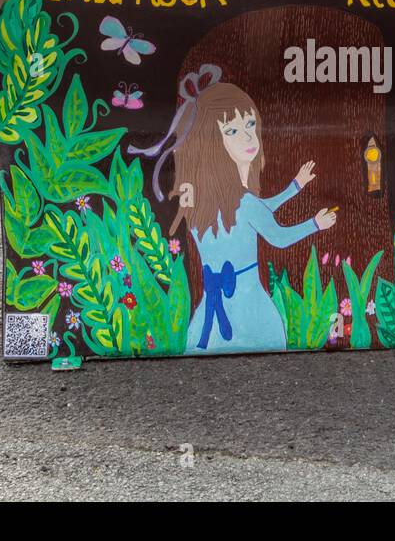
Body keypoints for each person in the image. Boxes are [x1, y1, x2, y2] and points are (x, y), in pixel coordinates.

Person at [130, 66, 336, 353]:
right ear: (212, 143)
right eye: (232, 130)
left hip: (207, 320)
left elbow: (255, 212)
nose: (248, 137)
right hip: (251, 316)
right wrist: (315, 223)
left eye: (250, 124)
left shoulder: (202, 202)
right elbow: (276, 235)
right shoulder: (244, 203)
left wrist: (295, 187)